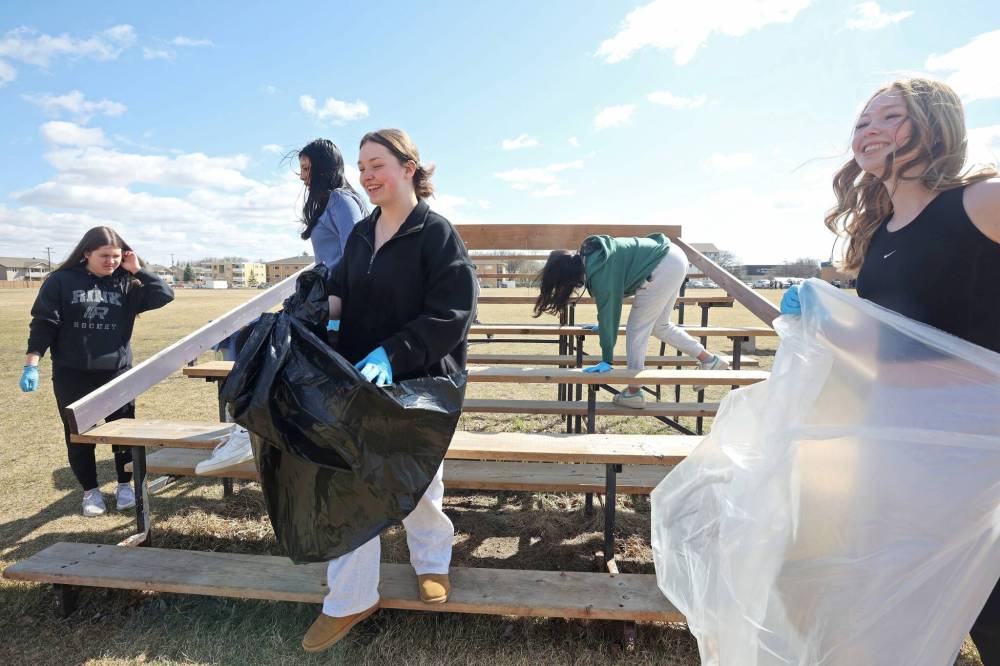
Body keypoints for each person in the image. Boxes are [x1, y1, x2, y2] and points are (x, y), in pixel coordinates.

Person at [782, 77, 1000, 661]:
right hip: (907, 455)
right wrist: (829, 321)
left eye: (890, 116)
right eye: (861, 121)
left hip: (983, 458)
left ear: (937, 126)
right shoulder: (878, 236)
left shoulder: (982, 201)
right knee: (911, 609)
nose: (869, 129)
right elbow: (901, 350)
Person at [301, 128, 477, 652]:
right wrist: (316, 316)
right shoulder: (360, 235)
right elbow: (341, 297)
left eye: (377, 164)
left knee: (420, 483)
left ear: (408, 168)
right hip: (362, 383)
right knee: (353, 483)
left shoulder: (436, 234)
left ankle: (432, 563)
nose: (367, 175)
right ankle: (351, 598)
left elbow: (451, 314)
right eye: (361, 166)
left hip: (424, 383)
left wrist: (393, 353)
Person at [196, 140, 368, 475]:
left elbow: (355, 255)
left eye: (308, 169)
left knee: (266, 345)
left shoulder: (341, 200)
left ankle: (248, 430)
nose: (303, 177)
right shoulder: (328, 201)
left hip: (332, 302)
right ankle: (245, 427)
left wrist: (336, 307)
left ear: (323, 167)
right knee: (260, 343)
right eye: (301, 169)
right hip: (320, 297)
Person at [20, 226, 174, 516]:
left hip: (116, 372)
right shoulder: (61, 281)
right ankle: (90, 492)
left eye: (117, 256)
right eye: (105, 256)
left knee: (125, 434)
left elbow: (164, 295)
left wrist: (137, 270)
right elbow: (44, 323)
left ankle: (125, 485)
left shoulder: (128, 283)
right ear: (86, 253)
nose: (111, 262)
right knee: (79, 435)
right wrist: (32, 363)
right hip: (72, 373)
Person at [533, 235, 730, 408]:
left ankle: (634, 392)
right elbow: (614, 298)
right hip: (673, 258)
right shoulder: (593, 258)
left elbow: (608, 306)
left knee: (637, 329)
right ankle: (710, 360)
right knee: (660, 326)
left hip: (663, 263)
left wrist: (607, 359)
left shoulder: (598, 268)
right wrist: (605, 326)